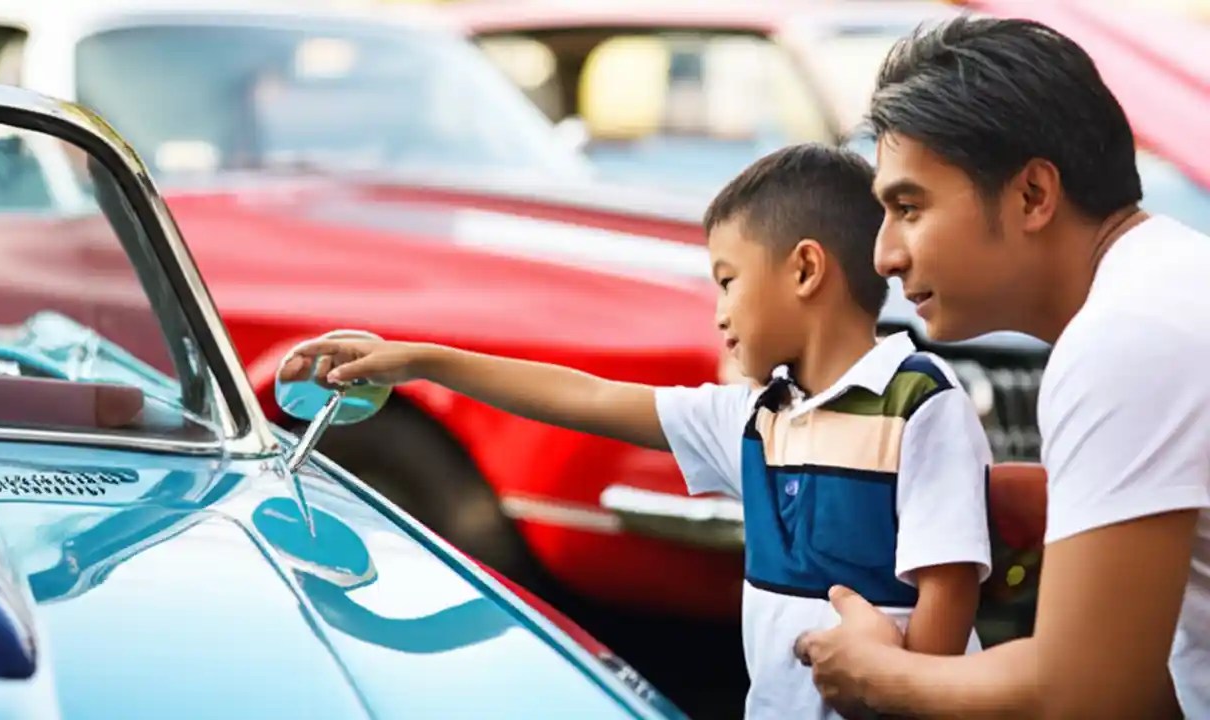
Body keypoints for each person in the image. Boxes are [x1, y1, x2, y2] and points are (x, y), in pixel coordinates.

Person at [278, 144, 994, 719]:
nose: (719, 313)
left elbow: (949, 589)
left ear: (805, 269)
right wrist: (422, 359)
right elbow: (586, 398)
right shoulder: (755, 416)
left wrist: (903, 695)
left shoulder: (918, 405)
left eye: (727, 280)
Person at [793, 15, 1210, 720]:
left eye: (909, 207)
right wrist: (1074, 506)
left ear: (1032, 196)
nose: (885, 256)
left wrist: (875, 673)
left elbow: (1087, 695)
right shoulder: (1170, 279)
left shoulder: (1124, 338)